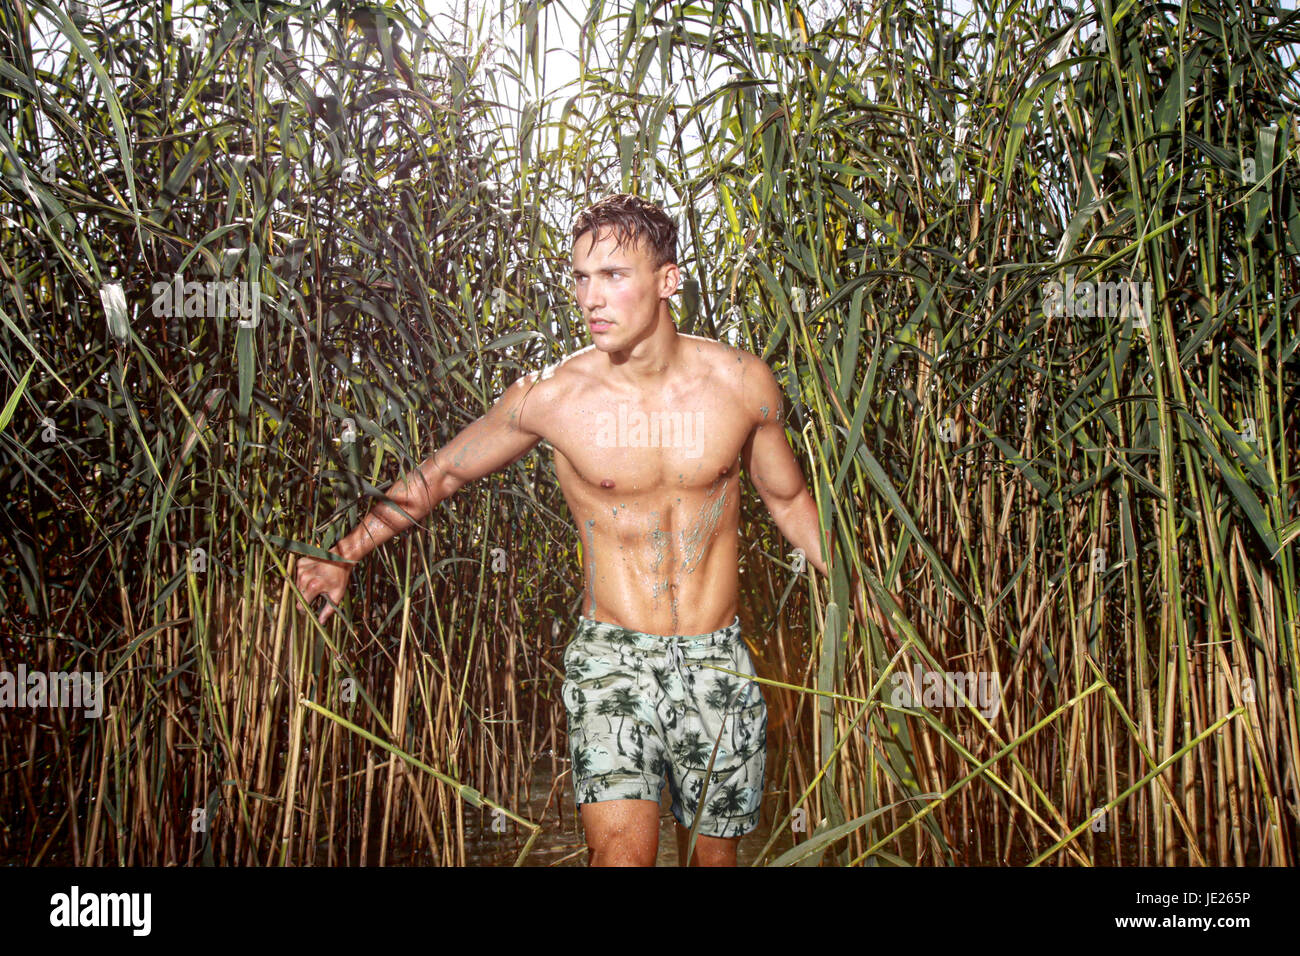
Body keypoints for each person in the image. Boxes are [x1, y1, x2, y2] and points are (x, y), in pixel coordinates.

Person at [294, 193, 830, 866]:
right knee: (619, 861)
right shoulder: (550, 398)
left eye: (613, 276)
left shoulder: (741, 383)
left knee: (714, 863)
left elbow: (787, 499)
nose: (591, 298)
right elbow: (444, 475)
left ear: (668, 281)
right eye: (580, 278)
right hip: (611, 659)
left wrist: (856, 580)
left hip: (714, 658)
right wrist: (345, 553)